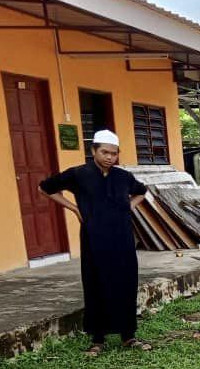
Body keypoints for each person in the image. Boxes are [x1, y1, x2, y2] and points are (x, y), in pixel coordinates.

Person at [39, 129, 150, 356]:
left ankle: (128, 335)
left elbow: (142, 192)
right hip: (94, 239)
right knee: (96, 285)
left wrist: (129, 206)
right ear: (93, 151)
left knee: (126, 284)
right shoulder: (79, 174)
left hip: (123, 240)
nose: (110, 157)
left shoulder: (123, 177)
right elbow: (45, 188)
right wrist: (74, 208)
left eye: (114, 153)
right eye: (105, 152)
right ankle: (97, 339)